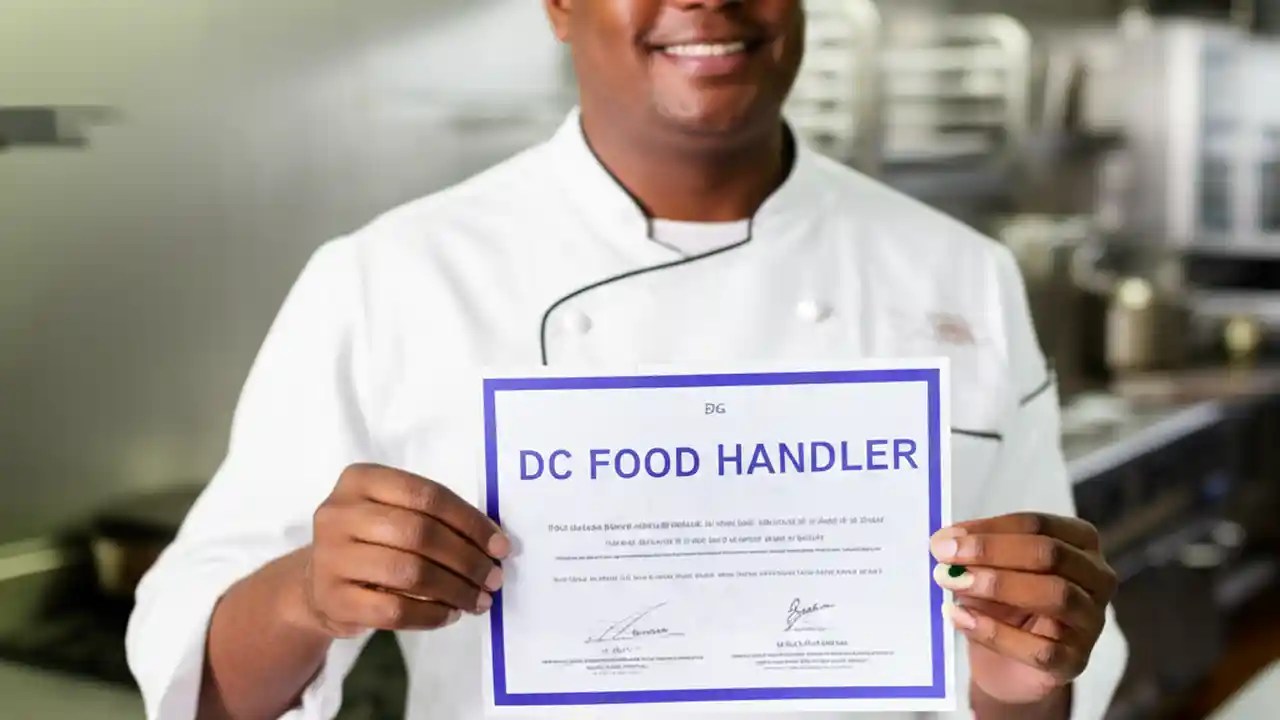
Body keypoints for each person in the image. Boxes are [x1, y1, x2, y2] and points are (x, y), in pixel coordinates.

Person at [126, 1, 1128, 718]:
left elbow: (1037, 685)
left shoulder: (958, 272)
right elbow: (202, 695)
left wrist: (1021, 673)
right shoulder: (392, 278)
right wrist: (308, 591)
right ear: (559, 6)